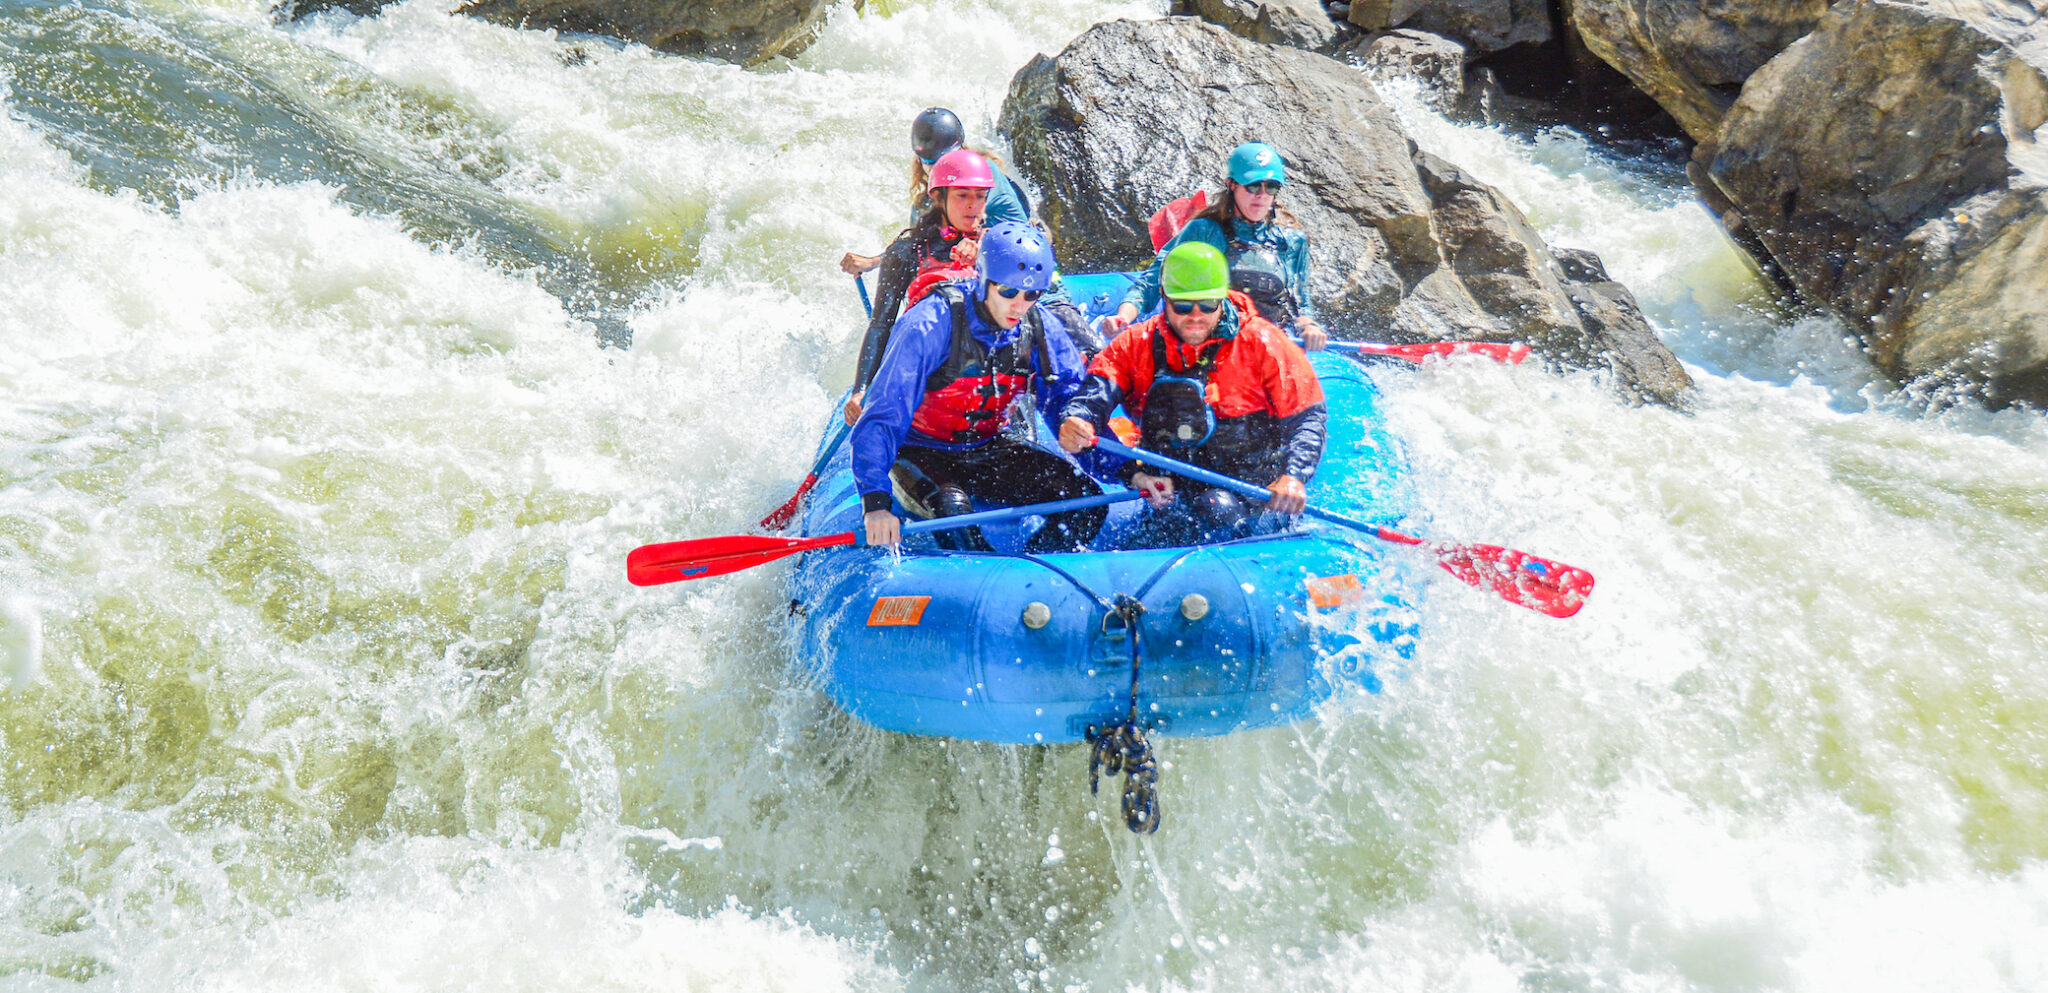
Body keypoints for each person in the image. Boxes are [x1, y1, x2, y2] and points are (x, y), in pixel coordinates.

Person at [853, 221, 1106, 553]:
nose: (1019, 304)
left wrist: (1129, 471)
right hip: (918, 451)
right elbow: (884, 415)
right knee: (953, 513)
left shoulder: (1037, 323)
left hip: (987, 447)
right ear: (983, 280)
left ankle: (1035, 573)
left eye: (1032, 294)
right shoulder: (930, 323)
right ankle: (982, 574)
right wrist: (875, 502)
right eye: (1008, 291)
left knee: (1088, 502)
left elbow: (1070, 397)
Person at [1060, 242, 1327, 544]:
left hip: (1249, 491)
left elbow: (1308, 419)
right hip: (1167, 488)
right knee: (1167, 526)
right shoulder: (1134, 345)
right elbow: (1092, 397)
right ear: (1164, 298)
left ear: (1222, 299)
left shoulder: (1265, 343)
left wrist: (1294, 476)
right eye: (1183, 306)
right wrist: (1078, 419)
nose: (1196, 316)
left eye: (1207, 305)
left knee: (1217, 510)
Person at [1106, 141, 1328, 352]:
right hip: (1213, 346)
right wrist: (1124, 316)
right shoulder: (1204, 231)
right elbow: (1154, 280)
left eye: (1271, 186)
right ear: (1232, 185)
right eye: (1252, 186)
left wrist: (1310, 328)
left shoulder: (1291, 241)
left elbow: (1300, 304)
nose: (1262, 195)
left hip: (1265, 348)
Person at [844, 148, 997, 424]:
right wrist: (861, 391)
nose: (973, 205)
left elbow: (1034, 253)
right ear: (939, 197)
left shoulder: (997, 242)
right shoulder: (906, 252)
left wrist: (985, 251)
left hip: (987, 378)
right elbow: (881, 325)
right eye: (962, 195)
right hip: (930, 377)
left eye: (980, 196)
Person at [839, 108, 1031, 276]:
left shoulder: (986, 175)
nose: (939, 168)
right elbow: (917, 246)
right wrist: (873, 262)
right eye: (930, 163)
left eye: (945, 160)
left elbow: (956, 227)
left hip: (1023, 271)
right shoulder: (924, 205)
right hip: (979, 285)